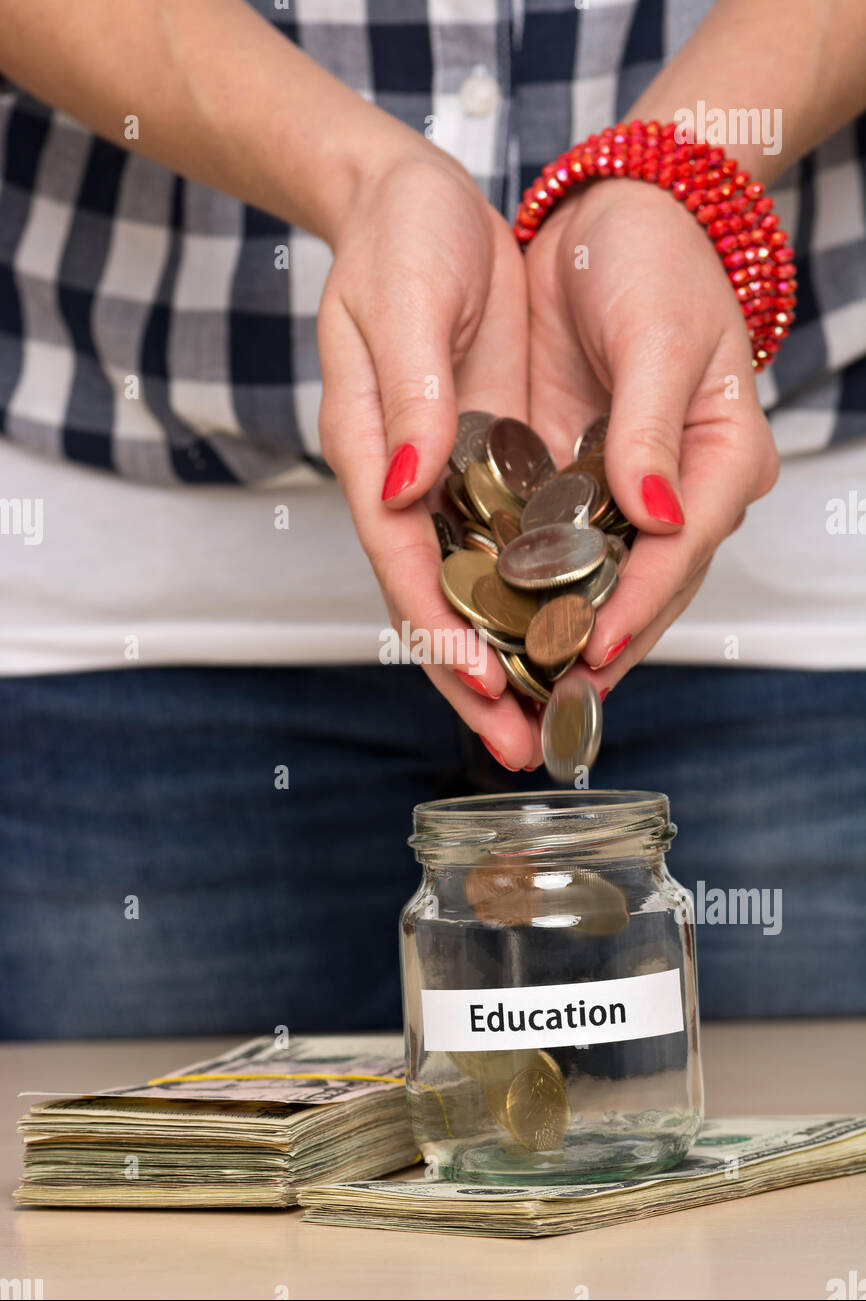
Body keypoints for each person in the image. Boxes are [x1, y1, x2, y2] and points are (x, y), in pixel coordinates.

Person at [0, 0, 863, 1039]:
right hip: (137, 621)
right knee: (179, 1189)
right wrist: (362, 178)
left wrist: (675, 171)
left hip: (784, 626)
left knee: (771, 1185)